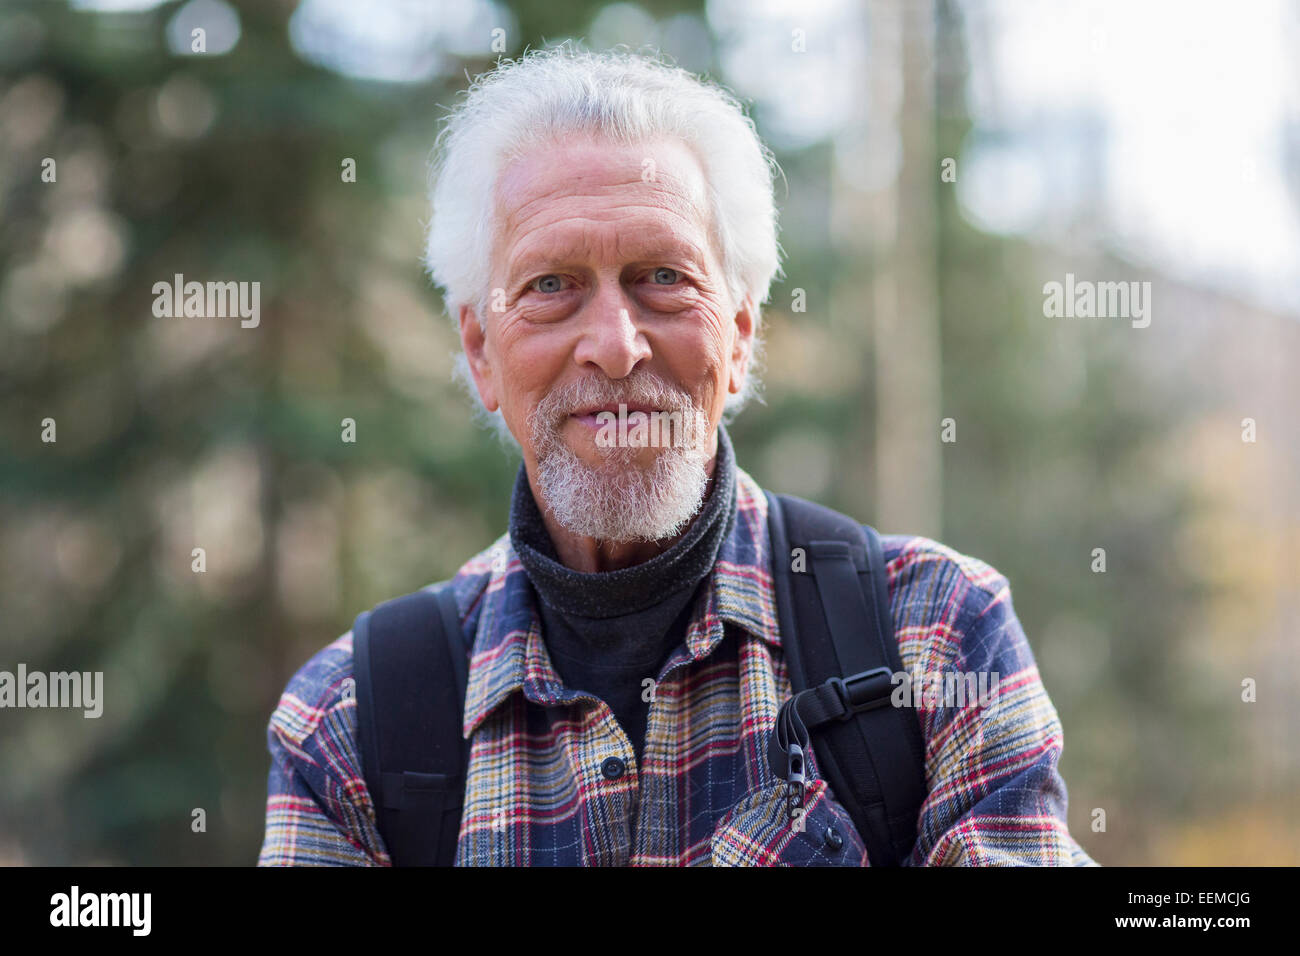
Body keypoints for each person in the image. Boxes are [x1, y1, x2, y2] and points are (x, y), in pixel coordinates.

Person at [257, 45, 1096, 867]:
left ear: (738, 335)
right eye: (551, 286)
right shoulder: (348, 723)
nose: (616, 347)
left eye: (662, 276)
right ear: (481, 352)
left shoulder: (939, 637)